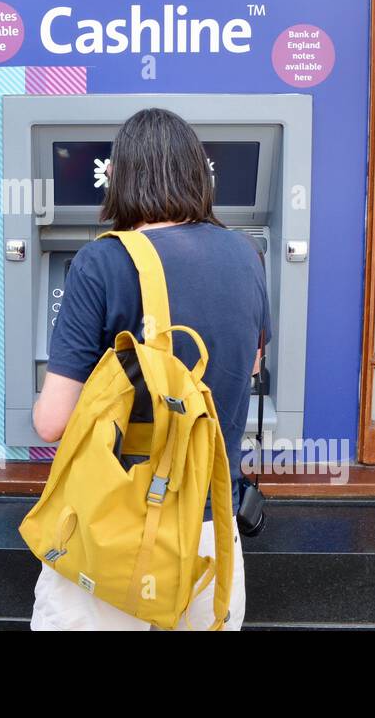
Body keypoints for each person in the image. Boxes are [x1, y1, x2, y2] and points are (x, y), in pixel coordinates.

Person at [29, 107, 272, 631]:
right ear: (196, 176)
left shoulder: (103, 262)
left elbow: (51, 422)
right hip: (213, 541)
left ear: (118, 179)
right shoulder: (248, 256)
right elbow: (251, 364)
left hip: (120, 535)